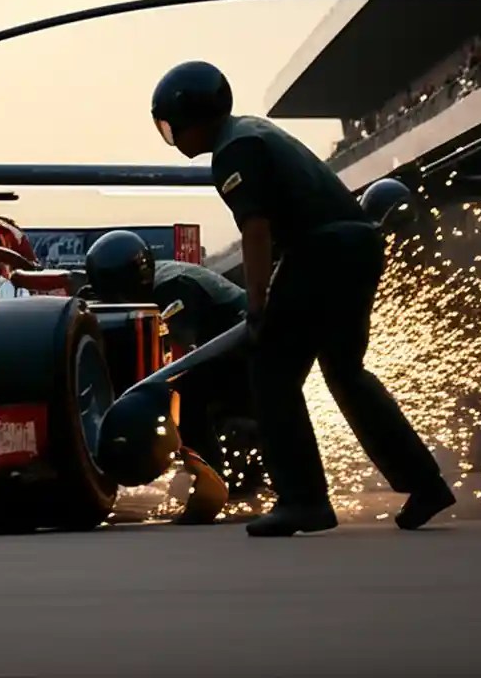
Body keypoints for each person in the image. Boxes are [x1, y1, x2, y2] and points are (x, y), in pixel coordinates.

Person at [150, 60, 455, 537]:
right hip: (356, 245)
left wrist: (257, 307)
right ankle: (426, 483)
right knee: (346, 373)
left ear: (192, 115)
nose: (172, 138)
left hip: (321, 252)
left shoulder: (233, 150)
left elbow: (256, 231)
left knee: (270, 373)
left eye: (171, 127)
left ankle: (304, 501)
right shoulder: (253, 131)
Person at [84, 229, 260, 496]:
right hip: (219, 345)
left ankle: (213, 484)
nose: (117, 302)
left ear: (137, 280)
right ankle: (237, 482)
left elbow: (180, 358)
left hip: (249, 344)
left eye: (119, 295)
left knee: (189, 402)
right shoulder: (131, 285)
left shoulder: (174, 288)